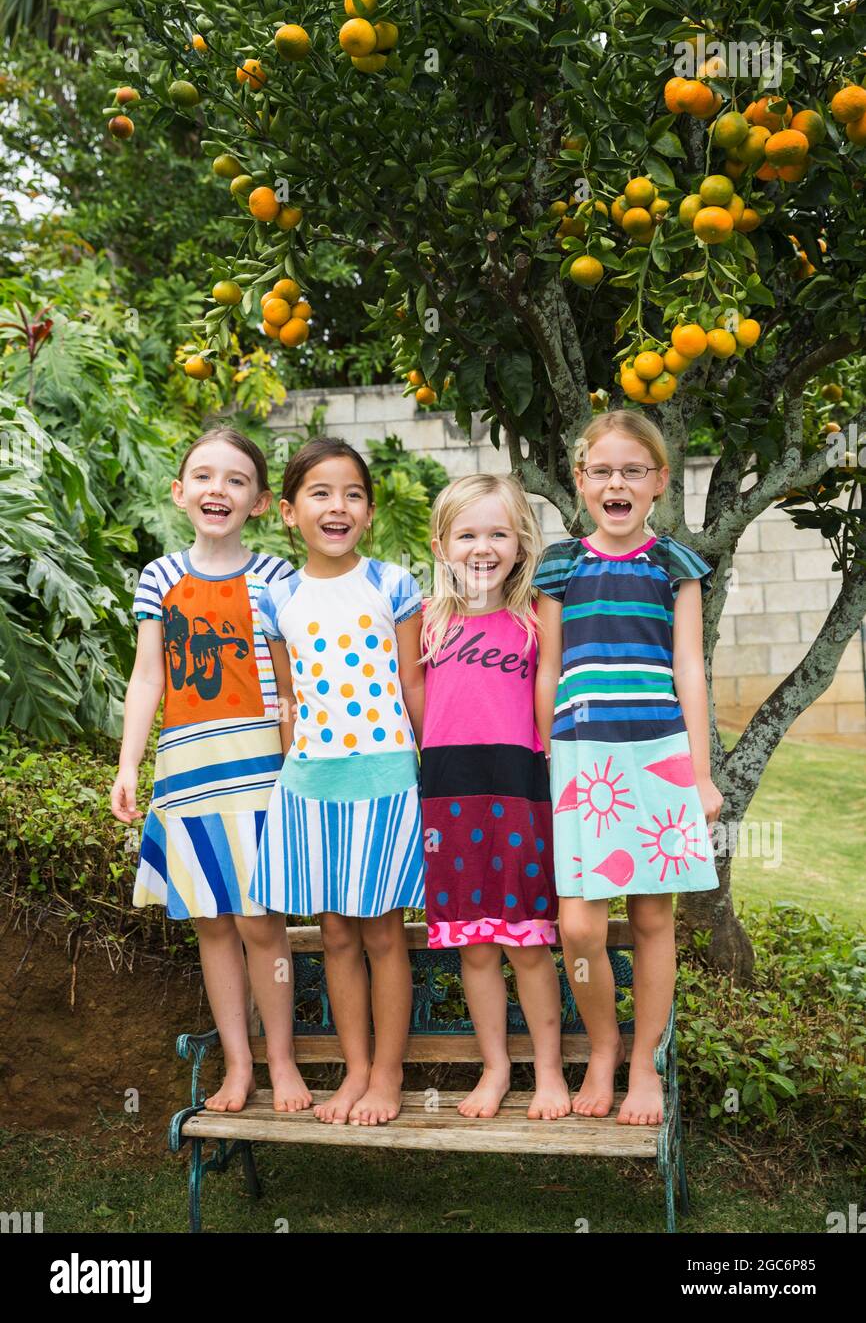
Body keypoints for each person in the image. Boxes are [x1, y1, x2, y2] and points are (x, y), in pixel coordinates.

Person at [110, 426, 311, 1116]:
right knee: (212, 923)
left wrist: (297, 761)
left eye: (235, 480)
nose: (216, 490)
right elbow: (146, 679)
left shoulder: (279, 579)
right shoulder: (159, 577)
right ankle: (237, 1066)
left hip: (261, 773)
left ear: (259, 502)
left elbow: (296, 683)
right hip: (189, 772)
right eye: (202, 476)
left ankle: (283, 1063)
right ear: (179, 492)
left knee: (261, 922)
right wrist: (129, 763)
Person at [533, 410, 722, 1127]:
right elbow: (549, 668)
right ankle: (604, 1045)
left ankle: (645, 1061)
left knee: (651, 917)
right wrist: (548, 756)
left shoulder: (675, 566)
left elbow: (690, 672)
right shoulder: (561, 565)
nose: (617, 482)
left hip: (658, 758)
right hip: (584, 761)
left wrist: (699, 774)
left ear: (659, 482)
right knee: (578, 926)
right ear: (580, 481)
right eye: (602, 471)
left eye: (633, 470)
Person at [250, 437, 425, 1127]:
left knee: (382, 935)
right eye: (320, 493)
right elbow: (288, 699)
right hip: (311, 788)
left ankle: (388, 1074)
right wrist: (291, 768)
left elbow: (412, 682)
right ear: (290, 513)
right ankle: (354, 1071)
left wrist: (431, 765)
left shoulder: (392, 585)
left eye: (352, 494)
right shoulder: (277, 598)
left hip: (386, 781)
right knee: (336, 935)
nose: (337, 506)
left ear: (370, 512)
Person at [420, 474, 570, 1121]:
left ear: (520, 542)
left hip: (519, 793)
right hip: (449, 798)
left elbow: (551, 708)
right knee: (475, 946)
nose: (483, 548)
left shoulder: (536, 618)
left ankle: (550, 1072)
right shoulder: (427, 624)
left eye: (498, 534)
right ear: (442, 545)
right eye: (468, 535)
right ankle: (495, 1068)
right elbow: (419, 709)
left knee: (527, 943)